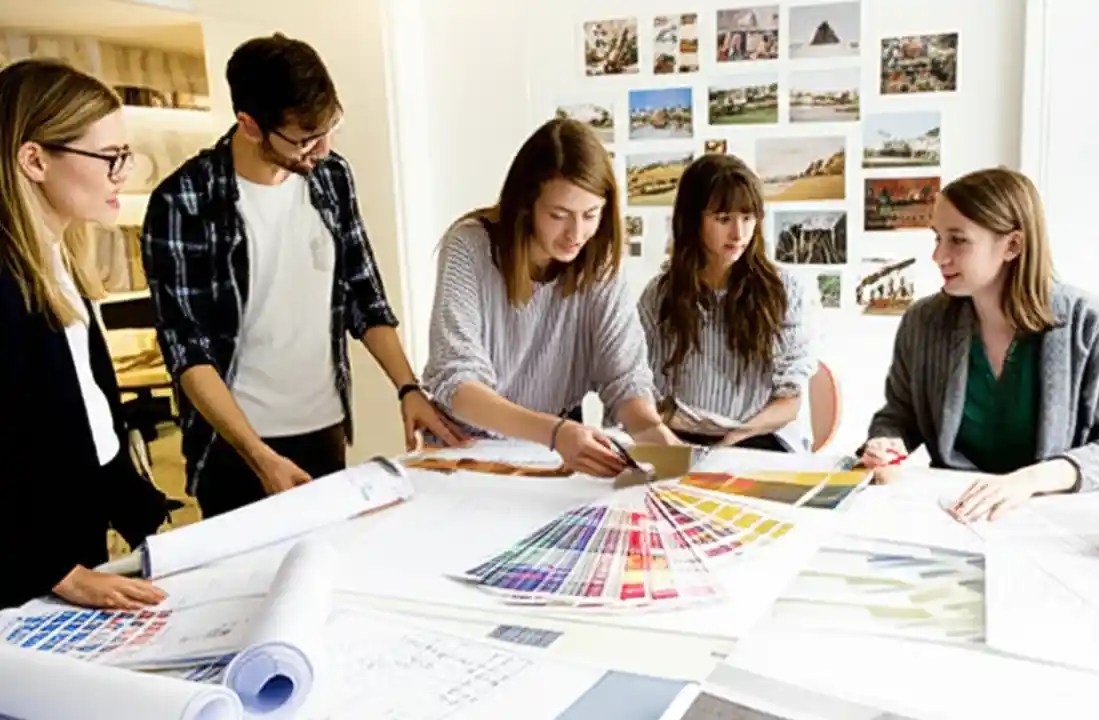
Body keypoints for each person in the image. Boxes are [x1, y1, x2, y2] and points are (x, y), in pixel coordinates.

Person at [142, 33, 466, 520]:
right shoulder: (184, 202)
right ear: (250, 125)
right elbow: (188, 354)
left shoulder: (332, 177)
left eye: (330, 127)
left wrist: (408, 387)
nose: (323, 148)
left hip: (324, 426)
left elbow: (364, 293)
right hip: (236, 446)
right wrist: (260, 456)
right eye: (305, 138)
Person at [861, 167, 1099, 521]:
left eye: (958, 240)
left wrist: (1027, 481)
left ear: (1012, 245)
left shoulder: (1090, 325)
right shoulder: (923, 323)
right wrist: (887, 444)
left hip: (1051, 519)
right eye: (937, 238)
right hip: (955, 513)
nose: (938, 256)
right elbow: (899, 416)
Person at [0, 59, 171, 609]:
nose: (124, 174)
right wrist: (55, 571)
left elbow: (88, 412)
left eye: (125, 156)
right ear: (34, 160)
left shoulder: (58, 259)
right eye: (109, 158)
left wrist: (141, 512)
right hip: (29, 572)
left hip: (71, 537)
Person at [422, 118, 680, 477]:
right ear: (527, 205)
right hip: (466, 451)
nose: (576, 233)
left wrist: (653, 432)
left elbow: (624, 376)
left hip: (548, 454)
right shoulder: (469, 246)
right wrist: (555, 433)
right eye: (559, 215)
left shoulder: (600, 262)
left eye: (591, 215)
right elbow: (458, 380)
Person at [638, 154, 815, 452]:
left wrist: (733, 439)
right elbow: (645, 389)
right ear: (693, 220)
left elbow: (790, 400)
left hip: (759, 437)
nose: (739, 233)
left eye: (748, 218)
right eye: (723, 219)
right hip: (681, 439)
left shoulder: (784, 291)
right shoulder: (660, 295)